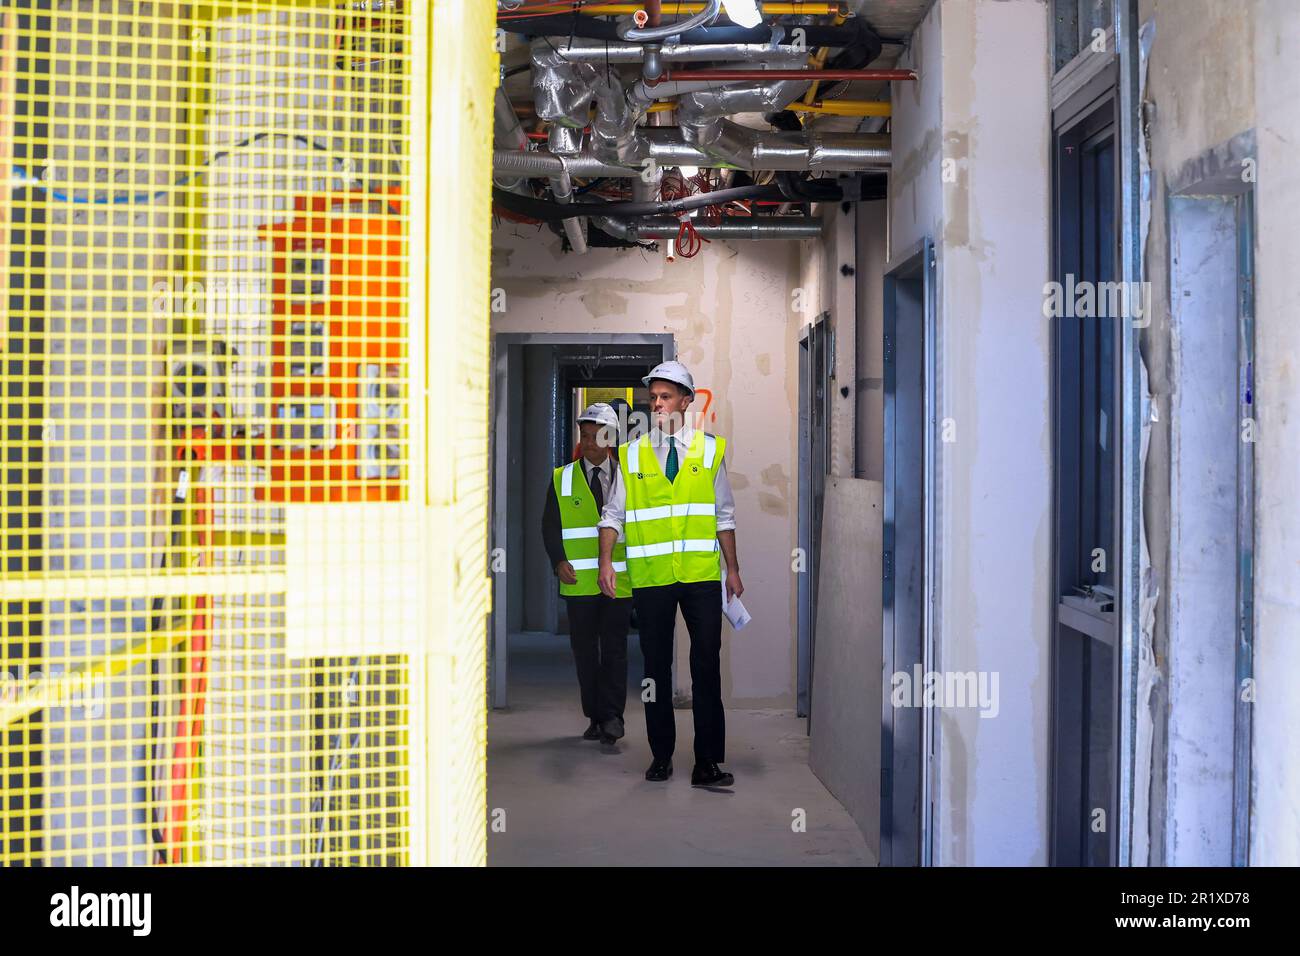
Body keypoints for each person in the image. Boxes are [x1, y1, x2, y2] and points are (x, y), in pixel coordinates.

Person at [596, 361, 743, 787]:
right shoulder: (630, 453)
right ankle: (661, 757)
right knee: (655, 672)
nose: (657, 405)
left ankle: (707, 763)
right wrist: (606, 561)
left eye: (665, 397)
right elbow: (613, 515)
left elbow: (724, 515)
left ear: (686, 401)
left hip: (699, 577)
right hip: (652, 578)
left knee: (706, 669)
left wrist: (732, 569)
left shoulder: (711, 450)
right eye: (653, 398)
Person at [542, 402, 633, 745]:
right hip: (578, 581)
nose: (590, 442)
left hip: (619, 581)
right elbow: (550, 525)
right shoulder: (562, 477)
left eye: (597, 436)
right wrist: (558, 560)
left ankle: (612, 717)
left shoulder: (629, 477)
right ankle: (594, 715)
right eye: (585, 435)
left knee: (614, 650)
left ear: (611, 439)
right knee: (584, 652)